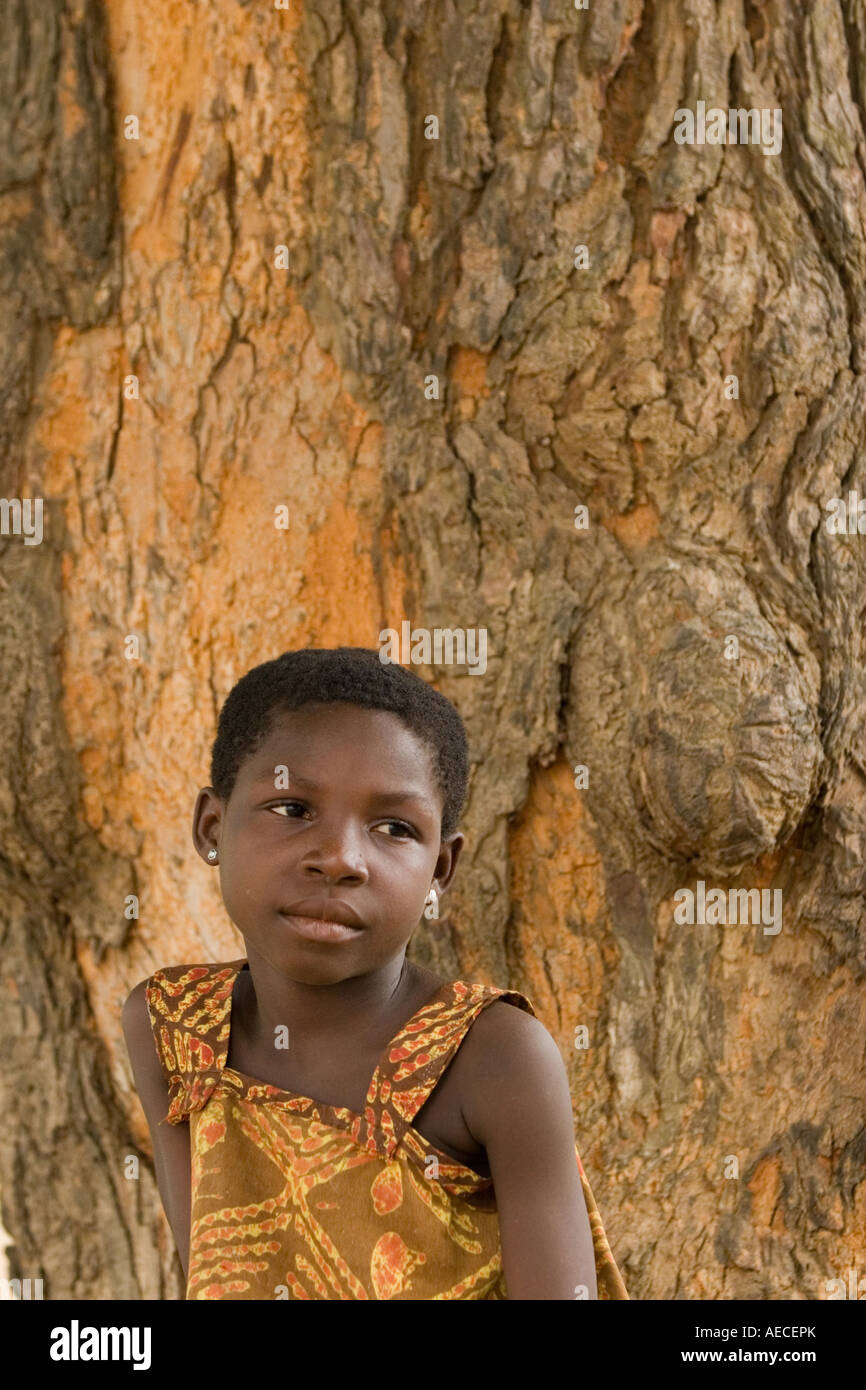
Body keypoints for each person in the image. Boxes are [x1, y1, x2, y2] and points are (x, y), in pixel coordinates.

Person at [122, 646, 628, 1300]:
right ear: (212, 826)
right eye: (293, 809)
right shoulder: (173, 1027)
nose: (339, 859)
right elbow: (213, 1278)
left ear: (440, 869)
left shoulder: (492, 1058)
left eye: (393, 827)